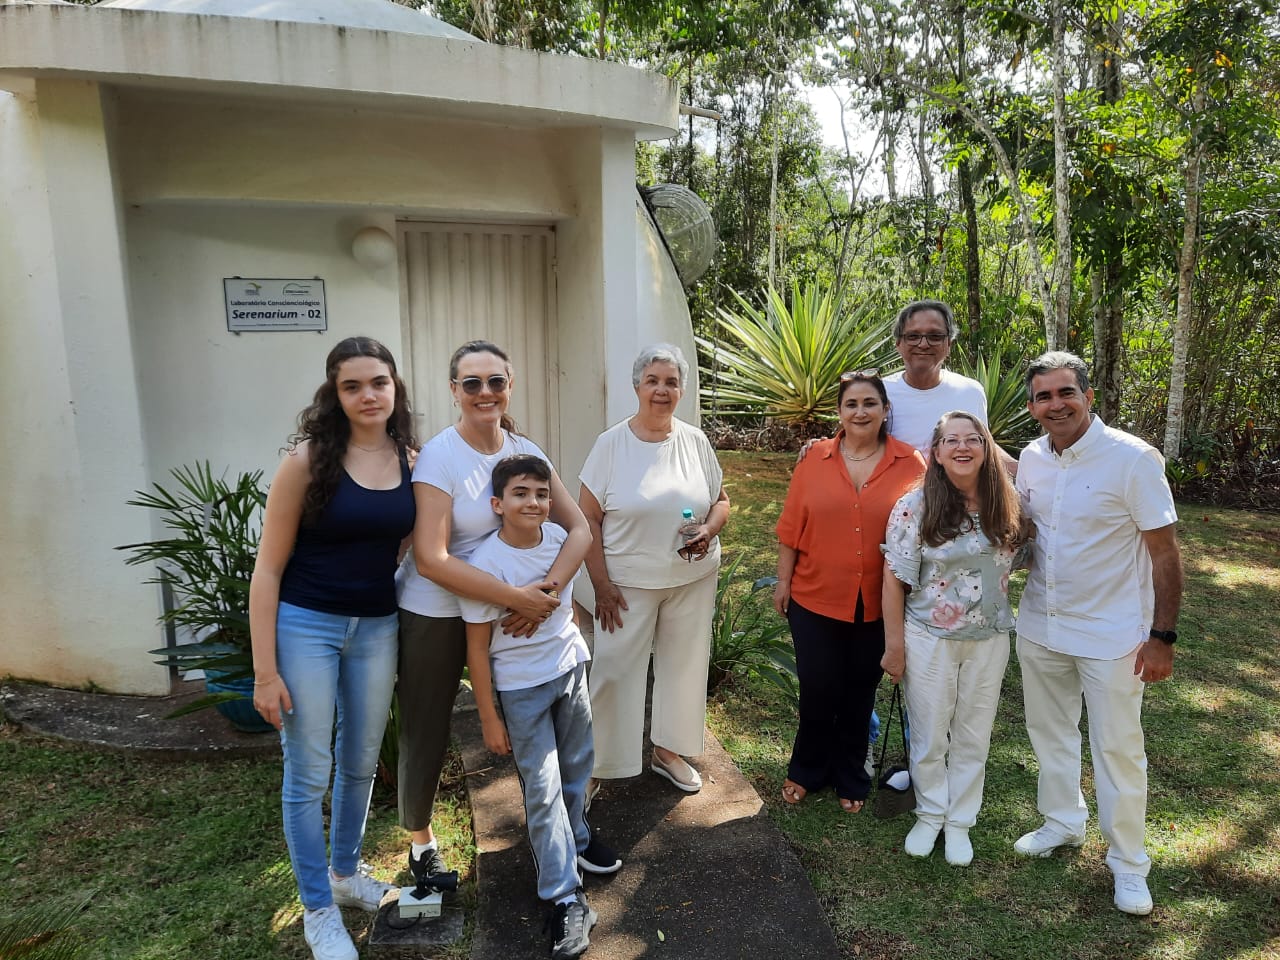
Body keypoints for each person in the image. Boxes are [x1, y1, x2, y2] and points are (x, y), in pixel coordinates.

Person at [396, 341, 593, 892]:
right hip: (437, 610)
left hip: (516, 607)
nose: (485, 393)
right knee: (428, 726)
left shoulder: (527, 449)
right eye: (472, 383)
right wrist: (517, 598)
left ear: (510, 384)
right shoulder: (440, 457)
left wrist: (546, 591)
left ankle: (566, 834)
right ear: (454, 391)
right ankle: (421, 842)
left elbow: (578, 529)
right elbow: (432, 559)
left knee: (545, 731)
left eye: (495, 381)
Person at [250, 337, 416, 960]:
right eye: (353, 386)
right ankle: (318, 908)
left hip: (376, 627)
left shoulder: (411, 458)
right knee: (309, 768)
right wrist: (266, 672)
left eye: (378, 382)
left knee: (362, 758)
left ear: (395, 387)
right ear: (335, 394)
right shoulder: (307, 461)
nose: (368, 394)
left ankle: (345, 875)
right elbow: (267, 572)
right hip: (306, 625)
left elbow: (404, 545)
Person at [1014, 351, 1183, 916]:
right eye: (1043, 396)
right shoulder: (1032, 457)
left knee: (1117, 749)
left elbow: (1164, 554)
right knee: (1049, 731)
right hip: (1040, 623)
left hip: (1114, 634)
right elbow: (1029, 535)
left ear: (1089, 396)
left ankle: (1129, 865)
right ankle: (1062, 822)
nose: (1055, 404)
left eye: (1065, 392)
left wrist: (1163, 636)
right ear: (1033, 405)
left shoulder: (1132, 459)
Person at [461, 455, 620, 960]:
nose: (533, 502)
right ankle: (563, 895)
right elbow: (476, 646)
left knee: (577, 769)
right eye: (520, 494)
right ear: (497, 504)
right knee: (543, 788)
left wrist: (547, 598)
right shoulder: (486, 565)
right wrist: (488, 714)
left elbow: (566, 595)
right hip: (521, 687)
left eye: (541, 494)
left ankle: (575, 838)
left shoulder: (558, 542)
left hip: (570, 668)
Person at [579, 343, 730, 797]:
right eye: (653, 380)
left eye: (671, 382)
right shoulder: (611, 444)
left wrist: (707, 527)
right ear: (637, 386)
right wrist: (601, 586)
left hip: (692, 578)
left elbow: (721, 501)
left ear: (682, 390)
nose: (662, 390)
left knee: (684, 667)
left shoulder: (695, 441)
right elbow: (587, 518)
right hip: (627, 586)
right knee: (613, 671)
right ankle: (598, 765)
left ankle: (668, 751)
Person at [881, 412, 1030, 866]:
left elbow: (1023, 559)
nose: (962, 447)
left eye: (973, 439)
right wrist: (893, 647)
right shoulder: (914, 507)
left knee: (973, 735)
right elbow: (894, 582)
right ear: (937, 453)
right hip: (929, 638)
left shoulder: (1009, 504)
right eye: (952, 441)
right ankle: (930, 814)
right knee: (929, 735)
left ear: (987, 450)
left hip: (989, 639)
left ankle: (961, 821)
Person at [773, 370, 925, 811]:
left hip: (881, 603)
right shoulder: (813, 459)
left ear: (885, 410)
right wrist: (783, 582)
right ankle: (806, 769)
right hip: (813, 595)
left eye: (870, 404)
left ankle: (851, 774)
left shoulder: (910, 463)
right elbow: (791, 527)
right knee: (818, 689)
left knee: (860, 692)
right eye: (852, 404)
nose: (861, 412)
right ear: (839, 412)